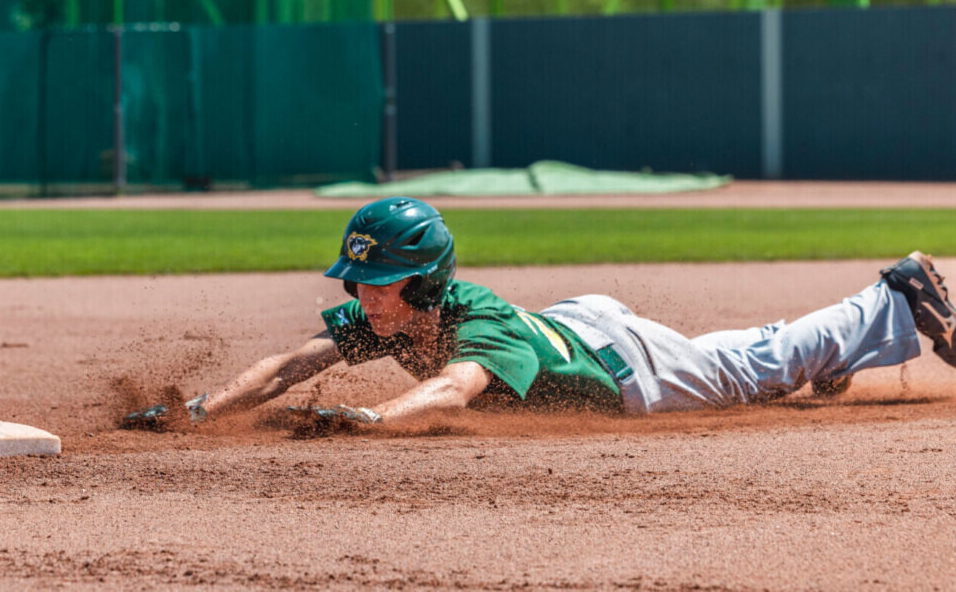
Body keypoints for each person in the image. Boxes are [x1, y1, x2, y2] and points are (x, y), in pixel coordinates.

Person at [122, 196, 956, 430]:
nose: (358, 293)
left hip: (624, 364)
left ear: (422, 283)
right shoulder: (401, 313)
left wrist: (373, 417)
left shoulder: (470, 325)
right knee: (741, 361)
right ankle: (835, 354)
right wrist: (197, 410)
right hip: (578, 326)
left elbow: (454, 389)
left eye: (375, 282)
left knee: (742, 369)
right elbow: (291, 364)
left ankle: (892, 293)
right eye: (357, 280)